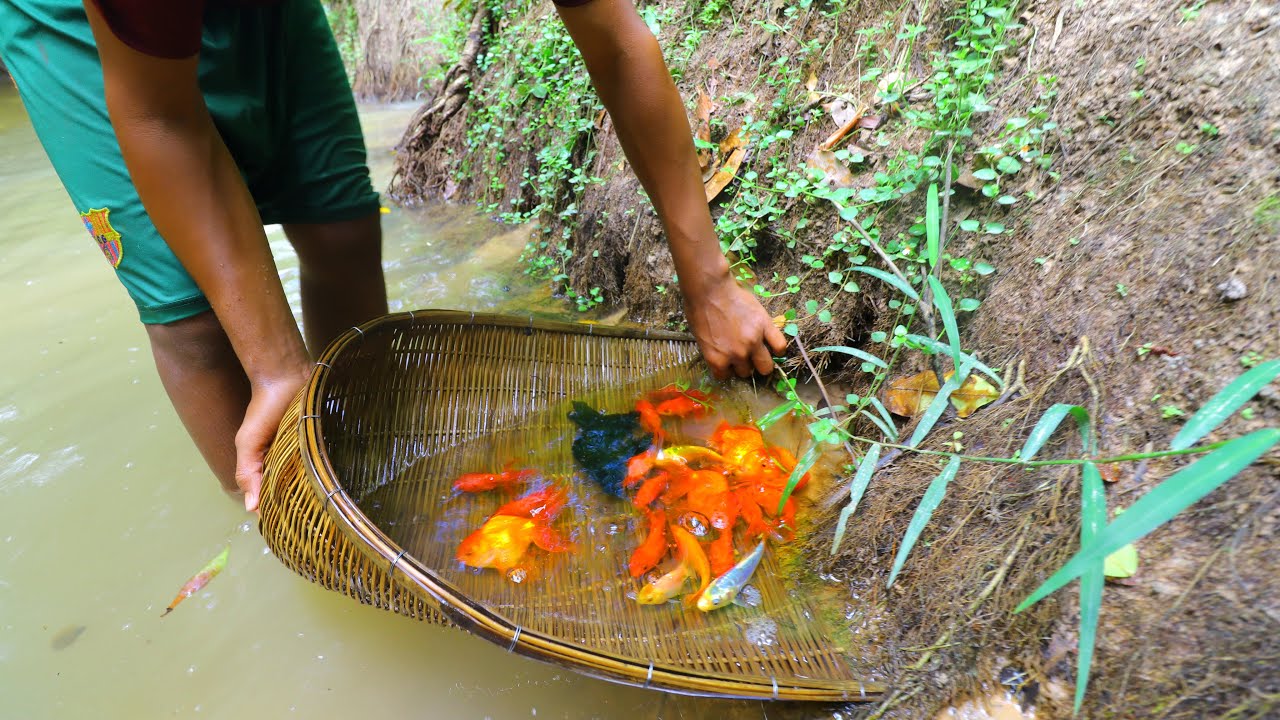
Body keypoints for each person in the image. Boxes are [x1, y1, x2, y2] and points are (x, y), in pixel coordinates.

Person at [0, 0, 787, 513]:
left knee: (341, 232)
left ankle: (378, 480)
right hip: (87, 29)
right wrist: (277, 367)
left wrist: (709, 281)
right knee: (196, 316)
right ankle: (289, 525)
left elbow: (616, 42)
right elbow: (159, 117)